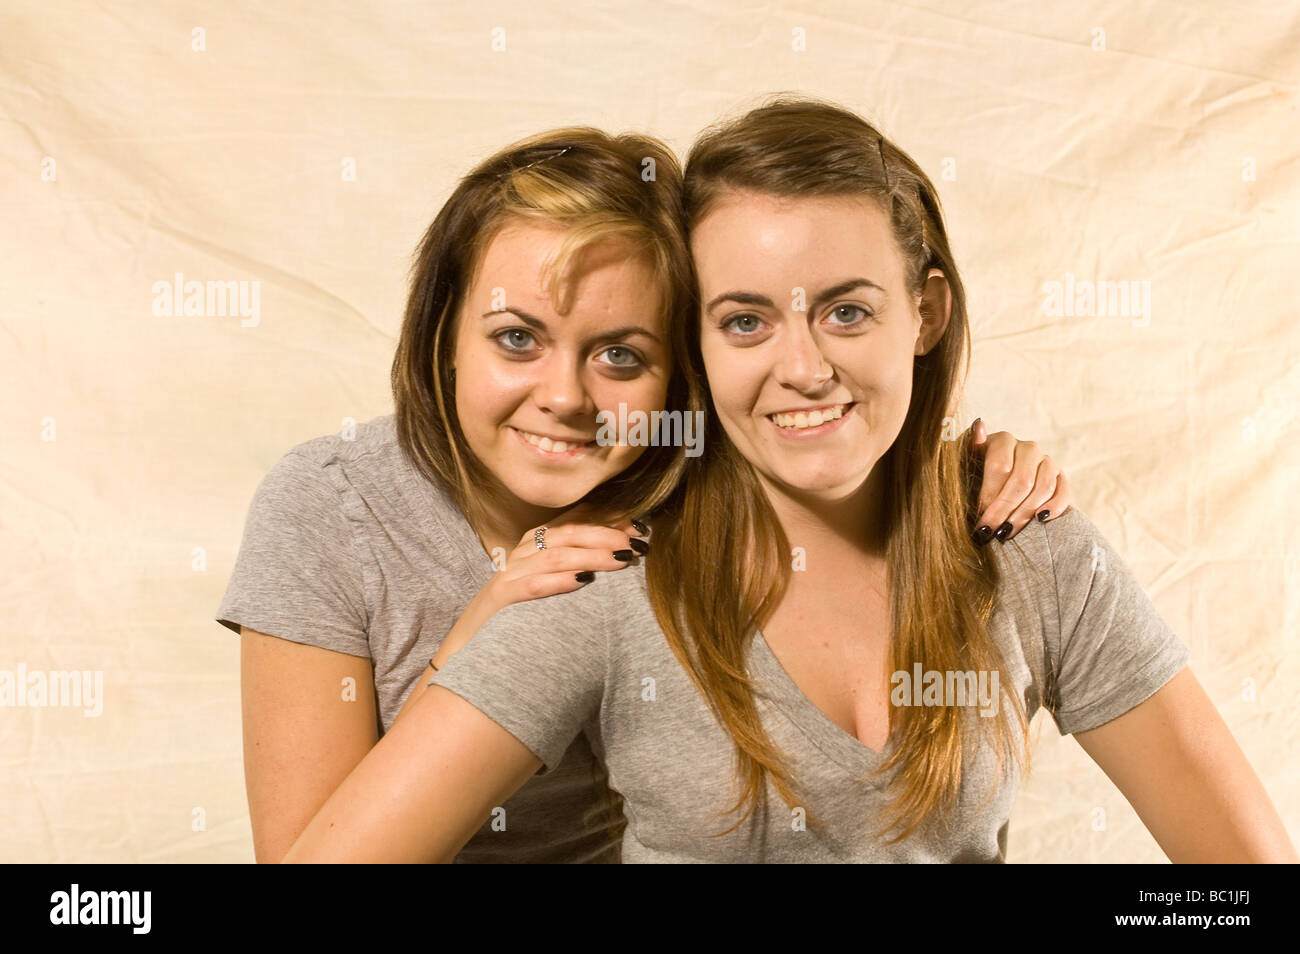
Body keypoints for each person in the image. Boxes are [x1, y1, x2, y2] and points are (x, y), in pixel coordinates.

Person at [218, 121, 1075, 864]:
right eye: (516, 339)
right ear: (443, 332)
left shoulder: (692, 488)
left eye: (620, 356)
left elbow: (828, 420)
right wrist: (478, 641)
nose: (565, 397)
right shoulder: (332, 506)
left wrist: (965, 466)